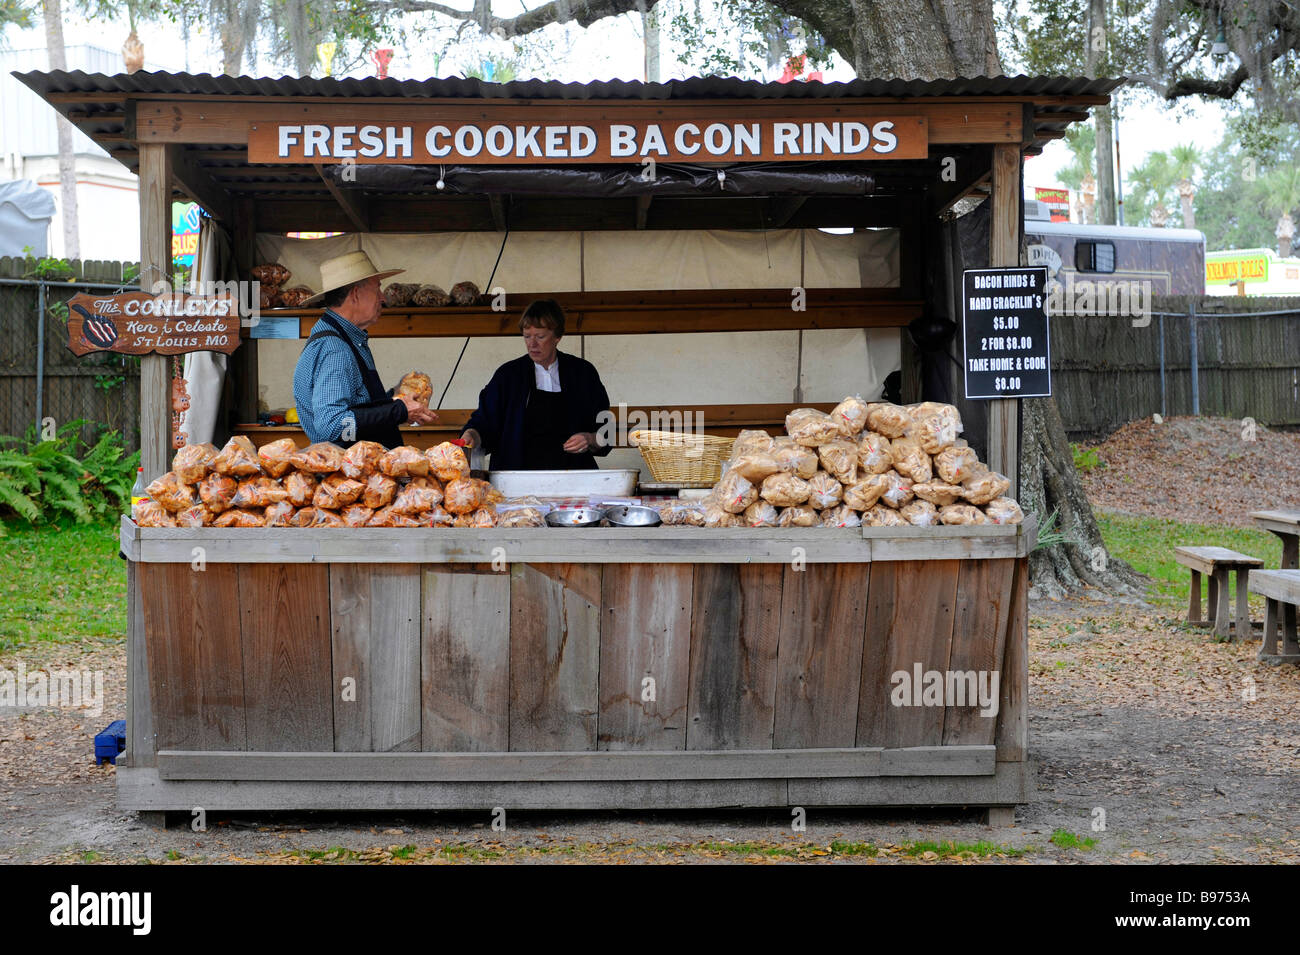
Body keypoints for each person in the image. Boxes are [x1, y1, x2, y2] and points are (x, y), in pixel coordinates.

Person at [292, 251, 438, 448]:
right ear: (355, 294)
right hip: (349, 474)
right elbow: (332, 425)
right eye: (377, 289)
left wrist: (397, 400)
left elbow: (358, 408)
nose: (383, 297)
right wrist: (398, 411)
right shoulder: (335, 349)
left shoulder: (349, 339)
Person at [461, 298, 612, 470]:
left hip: (573, 476)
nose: (532, 344)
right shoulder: (508, 375)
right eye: (527, 336)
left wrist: (589, 438)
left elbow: (605, 431)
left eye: (540, 336)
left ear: (558, 337)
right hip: (515, 477)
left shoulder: (583, 373)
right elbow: (484, 421)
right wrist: (472, 434)